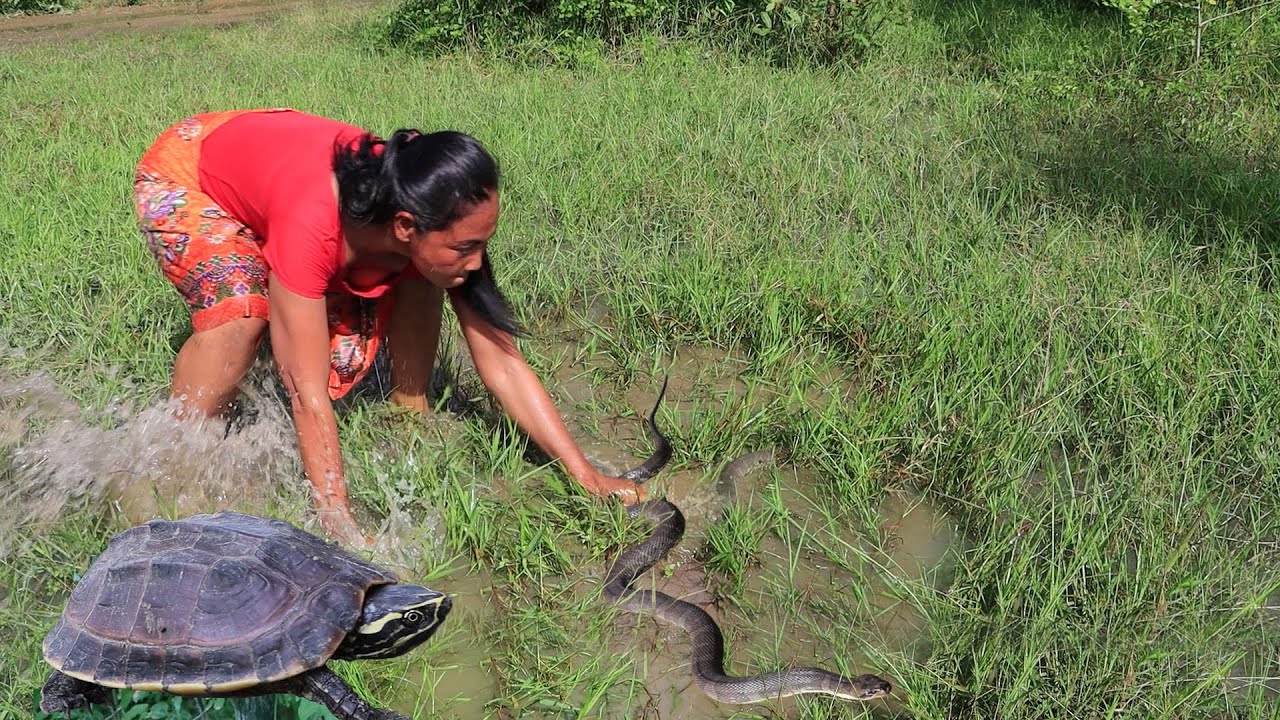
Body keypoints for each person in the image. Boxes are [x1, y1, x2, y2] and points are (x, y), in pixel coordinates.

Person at [133, 108, 643, 546]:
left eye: (482, 243)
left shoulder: (431, 204)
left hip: (273, 158)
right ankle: (177, 453)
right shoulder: (311, 225)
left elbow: (503, 363)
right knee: (242, 317)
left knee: (425, 272)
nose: (477, 261)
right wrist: (339, 522)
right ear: (404, 225)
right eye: (465, 247)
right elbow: (307, 394)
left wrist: (587, 475)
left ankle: (410, 409)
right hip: (191, 171)